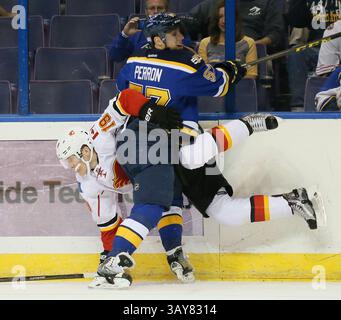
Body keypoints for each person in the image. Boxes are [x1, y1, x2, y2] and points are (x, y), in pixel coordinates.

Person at [95, 13, 324, 289]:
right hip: (162, 144)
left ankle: (290, 201)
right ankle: (122, 258)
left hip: (151, 142)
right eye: (175, 34)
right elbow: (218, 85)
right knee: (162, 199)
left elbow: (124, 90)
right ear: (158, 39)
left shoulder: (132, 63)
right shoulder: (183, 65)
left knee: (206, 207)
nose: (181, 37)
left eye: (180, 32)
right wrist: (232, 69)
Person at [56, 88, 195, 288]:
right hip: (144, 170)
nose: (70, 166)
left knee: (167, 197)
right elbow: (108, 224)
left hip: (152, 146)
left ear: (85, 151)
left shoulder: (100, 133)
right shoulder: (88, 185)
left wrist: (150, 110)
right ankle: (116, 261)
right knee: (158, 201)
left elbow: (125, 98)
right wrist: (108, 256)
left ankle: (174, 252)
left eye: (70, 160)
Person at [287, 0, 341, 111]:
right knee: (296, 53)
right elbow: (296, 21)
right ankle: (299, 107)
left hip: (339, 53)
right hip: (315, 47)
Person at [108, 0, 192, 63]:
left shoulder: (176, 29)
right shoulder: (135, 30)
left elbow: (186, 49)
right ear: (146, 11)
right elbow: (115, 57)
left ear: (166, 10)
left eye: (160, 8)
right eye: (152, 8)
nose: (155, 11)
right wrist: (124, 35)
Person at [198, 0, 258, 79]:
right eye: (220, 17)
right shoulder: (205, 43)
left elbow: (251, 75)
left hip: (240, 88)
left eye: (228, 16)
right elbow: (203, 74)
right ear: (216, 20)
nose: (224, 21)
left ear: (236, 19)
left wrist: (228, 81)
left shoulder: (249, 43)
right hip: (214, 88)